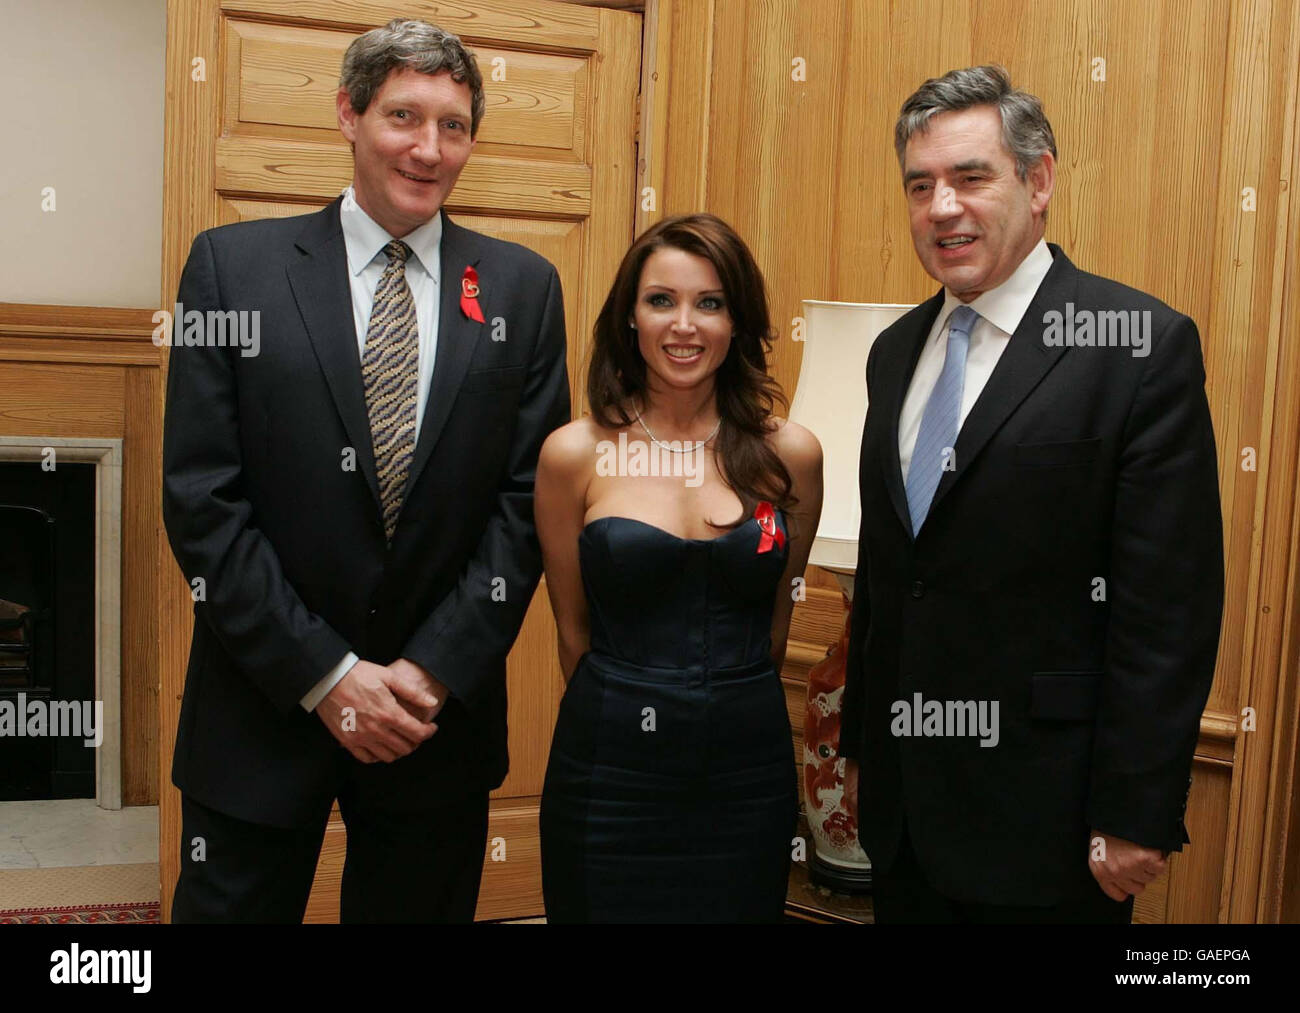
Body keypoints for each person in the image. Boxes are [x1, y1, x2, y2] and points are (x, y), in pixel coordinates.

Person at [162, 18, 569, 922]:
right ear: (348, 114)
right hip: (261, 714)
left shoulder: (523, 289)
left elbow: (524, 504)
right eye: (403, 116)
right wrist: (328, 675)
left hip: (434, 727)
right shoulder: (230, 270)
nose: (429, 149)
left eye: (454, 125)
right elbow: (200, 500)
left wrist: (428, 672)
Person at [840, 65, 1224, 923]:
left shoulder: (1136, 347)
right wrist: (863, 749)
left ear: (1039, 179)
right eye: (920, 184)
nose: (943, 207)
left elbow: (1169, 607)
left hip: (1050, 831)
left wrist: (1135, 810)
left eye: (971, 177)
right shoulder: (894, 352)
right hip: (904, 822)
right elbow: (886, 574)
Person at [535, 214, 823, 922]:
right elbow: (572, 635)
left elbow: (777, 623)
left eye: (711, 302)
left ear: (738, 321)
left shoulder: (793, 454)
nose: (684, 325)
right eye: (661, 300)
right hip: (610, 768)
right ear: (630, 317)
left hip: (747, 768)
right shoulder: (574, 454)